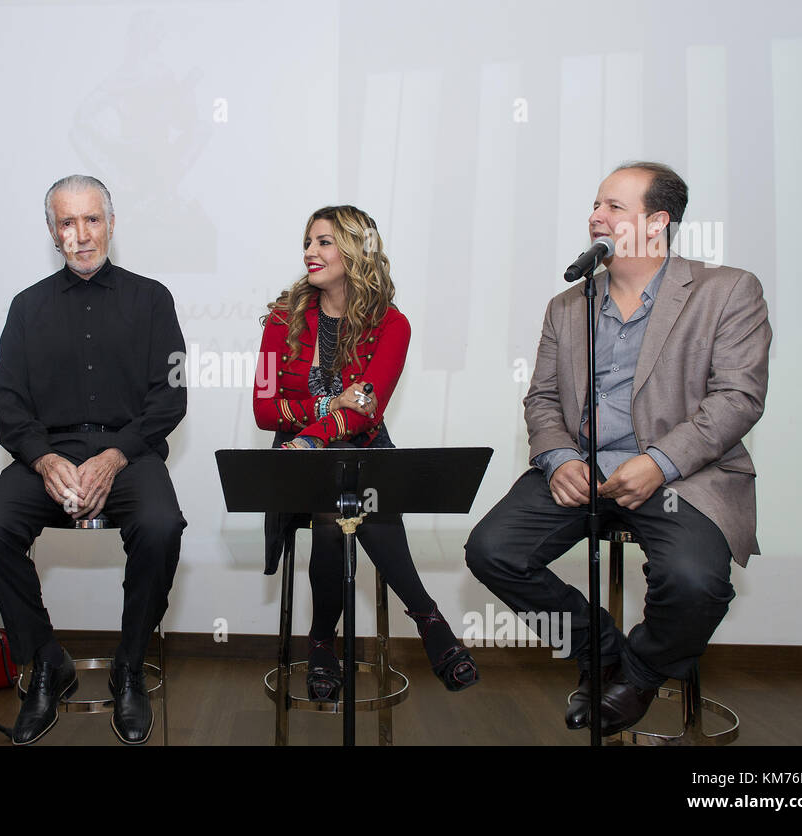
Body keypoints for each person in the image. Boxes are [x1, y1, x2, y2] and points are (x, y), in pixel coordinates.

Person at [465, 162, 771, 735]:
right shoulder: (567, 306)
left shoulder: (726, 290)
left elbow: (737, 398)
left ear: (657, 222)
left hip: (685, 476)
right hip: (582, 468)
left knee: (695, 582)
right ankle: (600, 652)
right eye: (595, 205)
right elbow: (542, 401)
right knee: (492, 550)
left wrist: (659, 462)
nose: (595, 216)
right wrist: (559, 460)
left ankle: (640, 672)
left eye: (612, 207)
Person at [0, 175, 187, 745]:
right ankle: (46, 660)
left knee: (161, 526)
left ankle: (129, 666)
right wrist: (42, 460)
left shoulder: (152, 298)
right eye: (67, 222)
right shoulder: (25, 306)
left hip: (128, 453)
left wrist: (114, 456)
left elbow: (171, 396)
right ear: (51, 231)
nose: (81, 234)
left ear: (111, 223)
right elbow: (8, 404)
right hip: (49, 455)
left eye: (91, 220)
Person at [253, 205, 478, 700]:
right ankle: (429, 622)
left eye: (324, 242)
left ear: (357, 250)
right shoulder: (279, 319)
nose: (310, 252)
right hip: (298, 462)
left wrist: (314, 429)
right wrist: (329, 408)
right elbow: (265, 409)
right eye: (308, 242)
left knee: (352, 505)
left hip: (361, 451)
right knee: (336, 513)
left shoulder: (393, 325)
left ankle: (321, 645)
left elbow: (368, 411)